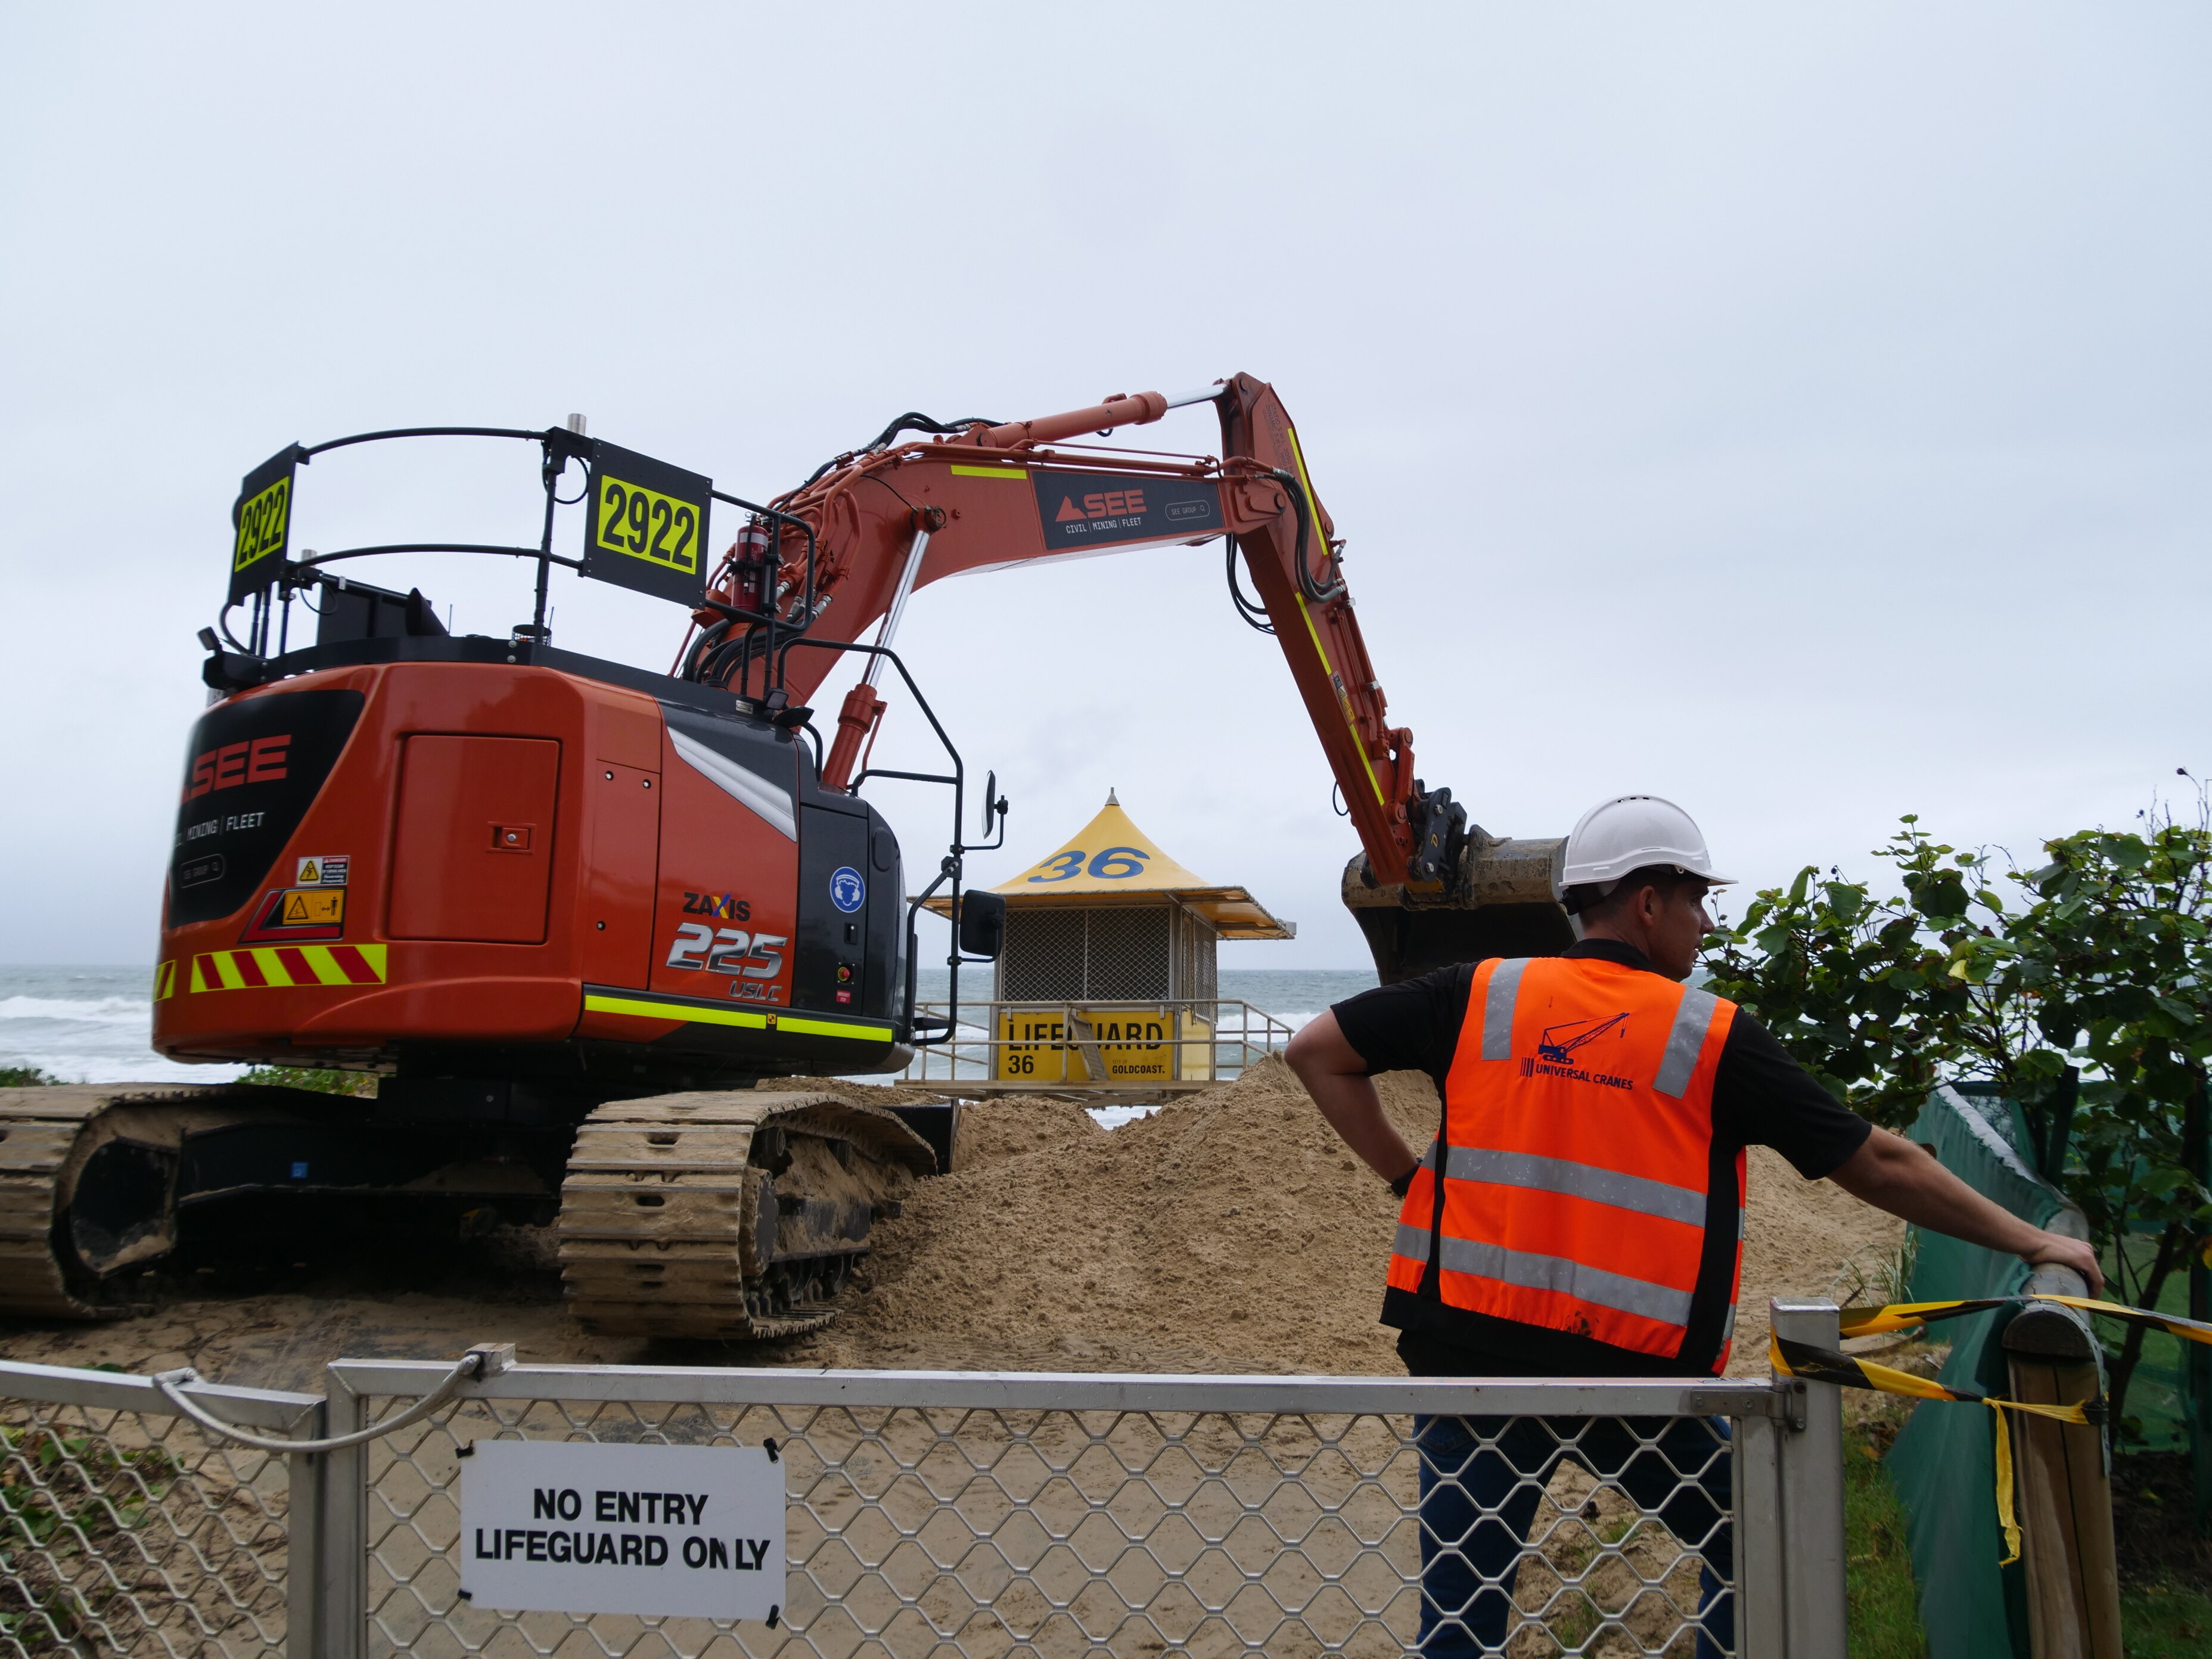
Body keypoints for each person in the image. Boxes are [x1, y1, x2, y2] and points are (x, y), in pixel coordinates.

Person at [1285, 794, 2101, 1659]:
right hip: (1627, 1383)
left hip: (1469, 1364)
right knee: (1758, 1538)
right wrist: (2034, 1241)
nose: (1707, 924)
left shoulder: (1480, 991)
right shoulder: (1709, 1036)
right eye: (1697, 900)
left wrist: (1409, 1182)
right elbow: (1879, 1164)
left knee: (1459, 1621)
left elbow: (1315, 1052)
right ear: (1647, 902)